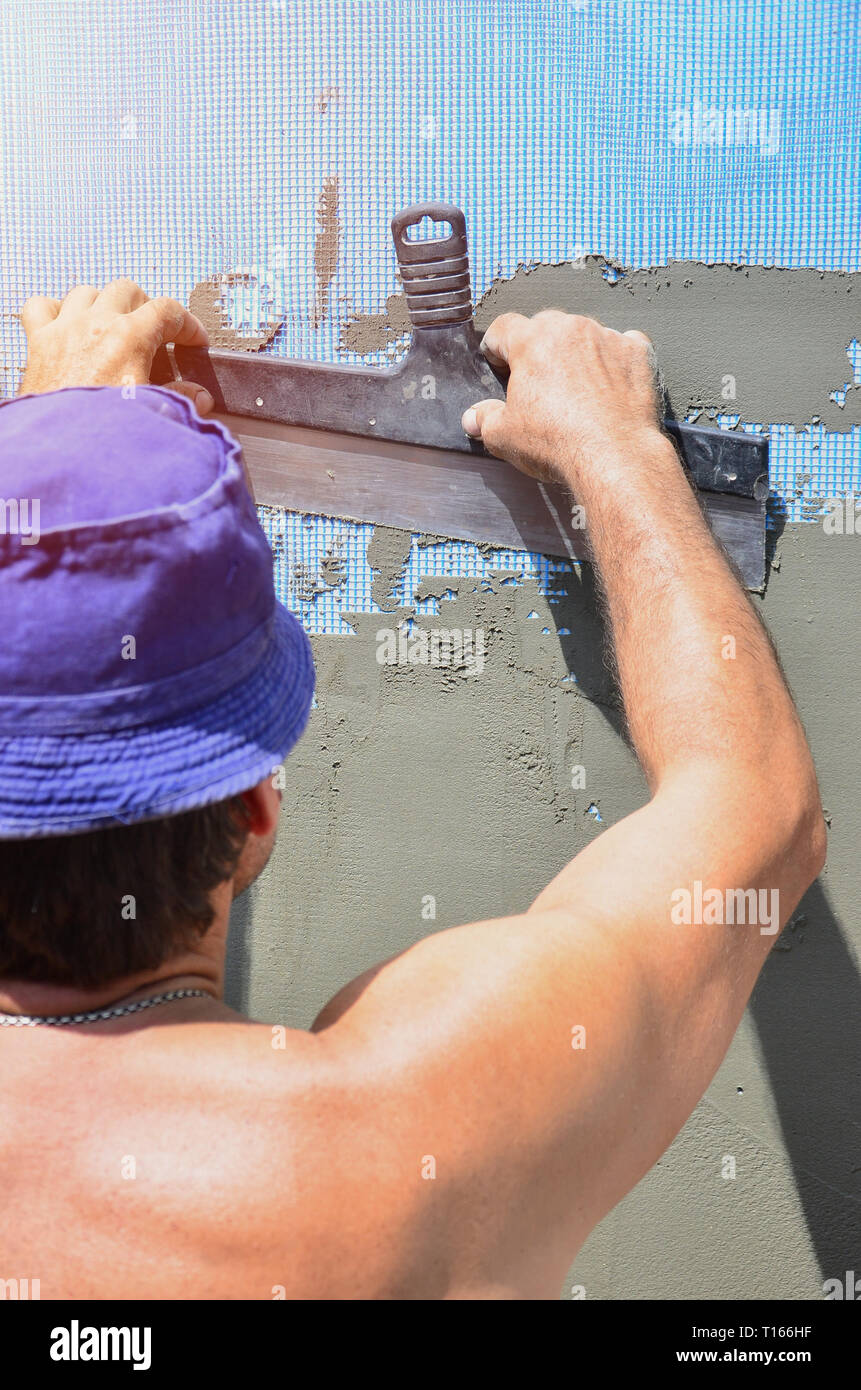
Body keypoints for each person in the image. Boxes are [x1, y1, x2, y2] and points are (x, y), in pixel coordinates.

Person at [0, 282, 825, 1300]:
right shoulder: (397, 1141)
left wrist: (46, 493)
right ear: (259, 812)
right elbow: (755, 805)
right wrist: (617, 451)